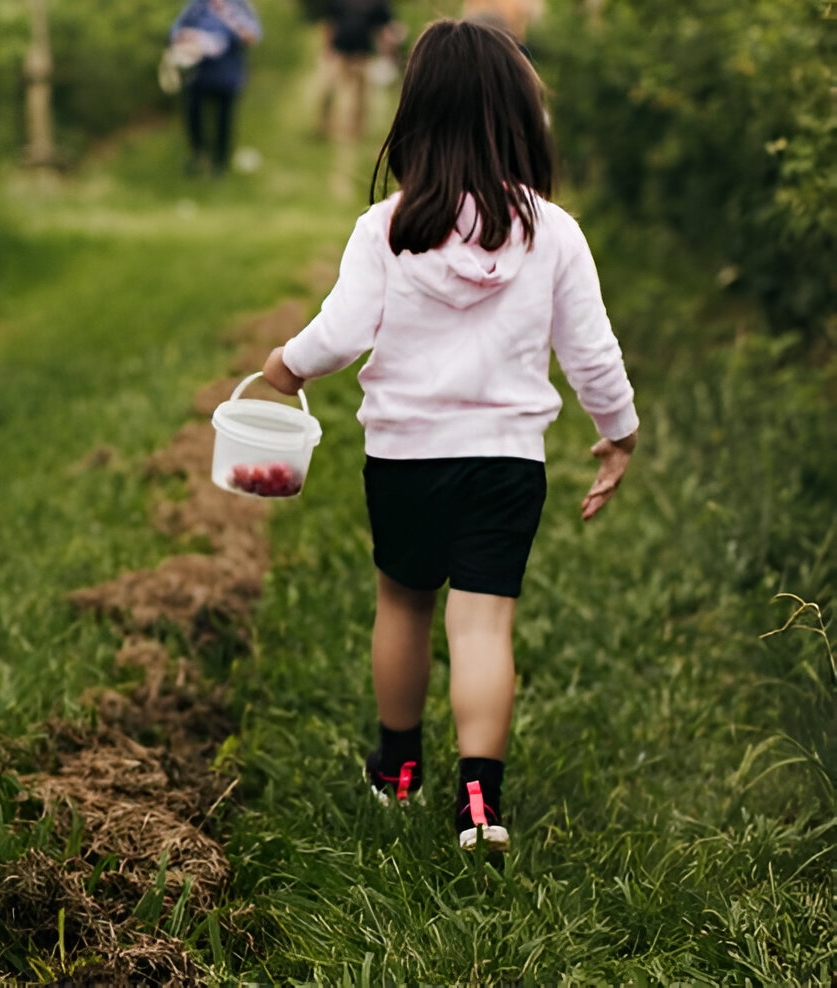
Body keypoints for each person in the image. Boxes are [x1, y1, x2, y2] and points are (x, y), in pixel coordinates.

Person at [261, 19, 638, 852]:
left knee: (403, 599)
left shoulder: (388, 228)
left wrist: (285, 368)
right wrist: (619, 432)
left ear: (416, 115)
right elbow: (591, 352)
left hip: (405, 457)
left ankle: (398, 772)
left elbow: (340, 330)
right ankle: (479, 803)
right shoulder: (554, 233)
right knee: (483, 624)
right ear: (518, 117)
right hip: (507, 461)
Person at [168, 0, 263, 176]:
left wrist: (227, 29)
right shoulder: (197, 5)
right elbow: (176, 29)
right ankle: (199, 156)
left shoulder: (239, 6)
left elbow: (253, 36)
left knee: (224, 120)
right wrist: (188, 37)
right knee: (193, 116)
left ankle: (220, 163)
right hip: (199, 74)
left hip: (228, 74)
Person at [315, 0, 401, 141]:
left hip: (362, 55)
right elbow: (330, 24)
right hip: (339, 52)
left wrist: (388, 54)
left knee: (361, 96)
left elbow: (383, 30)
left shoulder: (377, 4)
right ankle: (323, 127)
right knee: (327, 89)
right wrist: (326, 49)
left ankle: (356, 132)